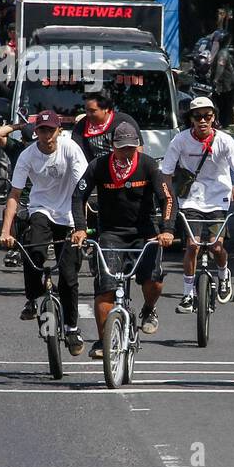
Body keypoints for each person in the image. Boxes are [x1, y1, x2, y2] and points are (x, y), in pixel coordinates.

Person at [71, 120, 175, 357]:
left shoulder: (149, 166)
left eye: (131, 147)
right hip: (111, 234)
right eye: (122, 147)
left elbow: (167, 198)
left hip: (145, 234)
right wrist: (80, 228)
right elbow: (78, 196)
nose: (127, 152)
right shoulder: (98, 166)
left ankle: (149, 309)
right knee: (105, 289)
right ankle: (102, 341)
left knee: (153, 281)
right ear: (112, 146)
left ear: (138, 146)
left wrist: (167, 229)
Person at [0, 111, 89, 356]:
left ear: (59, 131)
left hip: (70, 213)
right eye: (42, 130)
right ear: (36, 132)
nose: (46, 135)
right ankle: (33, 298)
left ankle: (72, 329)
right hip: (41, 210)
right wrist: (5, 232)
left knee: (69, 277)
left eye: (51, 130)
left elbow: (82, 189)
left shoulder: (70, 149)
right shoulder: (27, 155)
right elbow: (15, 195)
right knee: (32, 251)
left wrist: (81, 227)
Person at [161, 95, 234, 308]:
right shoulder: (180, 140)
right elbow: (166, 173)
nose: (203, 121)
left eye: (207, 116)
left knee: (216, 246)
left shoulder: (224, 140)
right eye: (198, 116)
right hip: (190, 199)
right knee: (192, 245)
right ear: (191, 118)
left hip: (218, 199)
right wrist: (167, 197)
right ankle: (188, 292)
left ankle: (223, 273)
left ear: (213, 118)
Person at [70, 89, 140, 163]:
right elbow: (76, 155)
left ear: (106, 109)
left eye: (92, 111)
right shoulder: (81, 126)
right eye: (86, 110)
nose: (88, 114)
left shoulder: (125, 121)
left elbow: (138, 151)